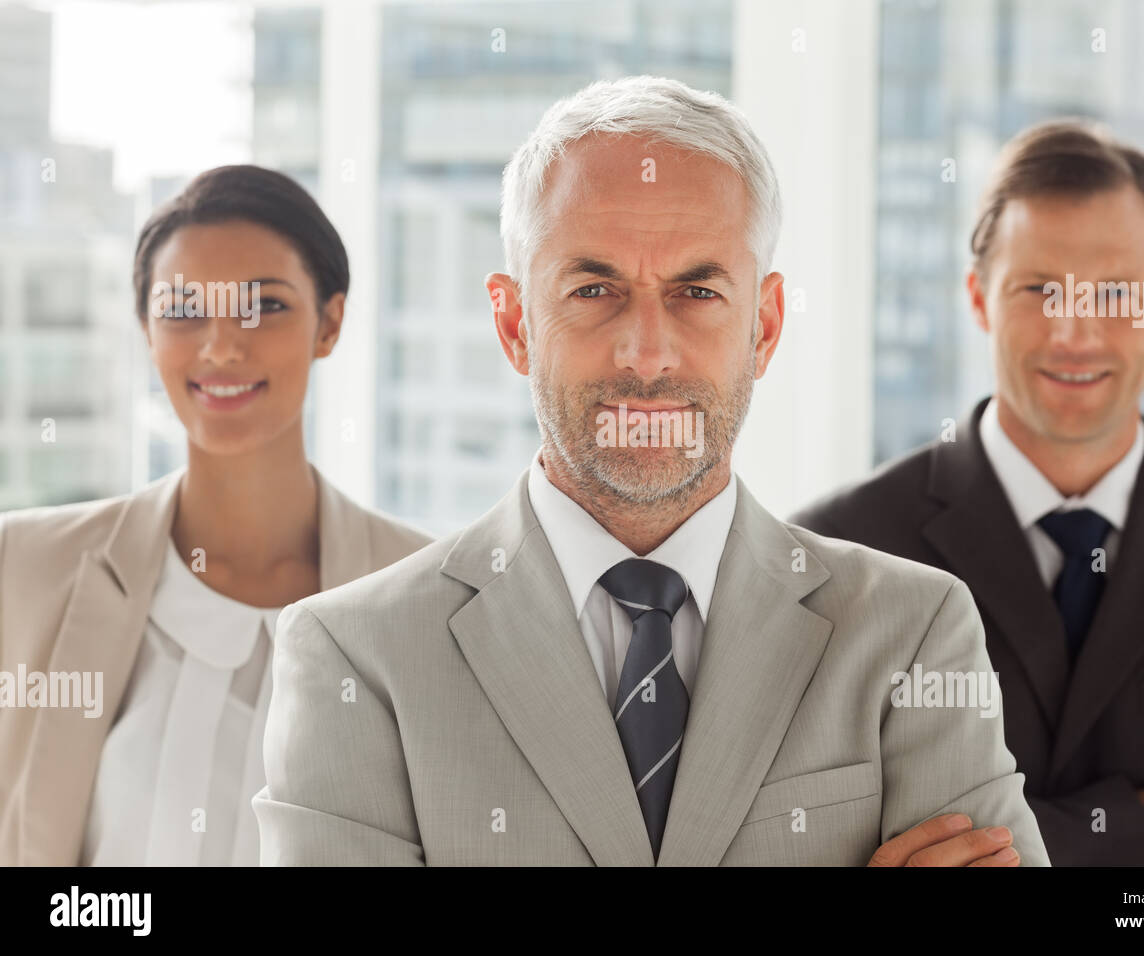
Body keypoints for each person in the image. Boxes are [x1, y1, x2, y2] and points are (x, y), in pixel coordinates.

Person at [253, 76, 1048, 867]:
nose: (648, 355)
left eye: (697, 291)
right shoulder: (357, 656)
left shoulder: (912, 634)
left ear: (763, 327)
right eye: (594, 289)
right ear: (513, 323)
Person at [792, 120, 1144, 866]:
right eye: (1039, 289)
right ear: (978, 299)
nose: (1075, 331)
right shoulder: (837, 553)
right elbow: (818, 843)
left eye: (1115, 293)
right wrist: (1135, 830)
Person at [0, 165, 430, 866]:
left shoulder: (429, 594)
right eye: (183, 310)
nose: (222, 346)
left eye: (262, 307)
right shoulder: (23, 568)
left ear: (329, 323)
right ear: (146, 329)